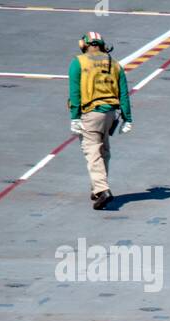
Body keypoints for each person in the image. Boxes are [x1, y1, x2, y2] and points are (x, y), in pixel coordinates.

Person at [67, 32, 132, 210]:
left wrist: (74, 117)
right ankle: (97, 188)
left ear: (84, 45)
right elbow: (124, 93)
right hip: (110, 113)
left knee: (92, 151)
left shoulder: (78, 62)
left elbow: (75, 93)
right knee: (104, 150)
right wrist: (127, 118)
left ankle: (102, 189)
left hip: (91, 113)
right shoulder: (115, 64)